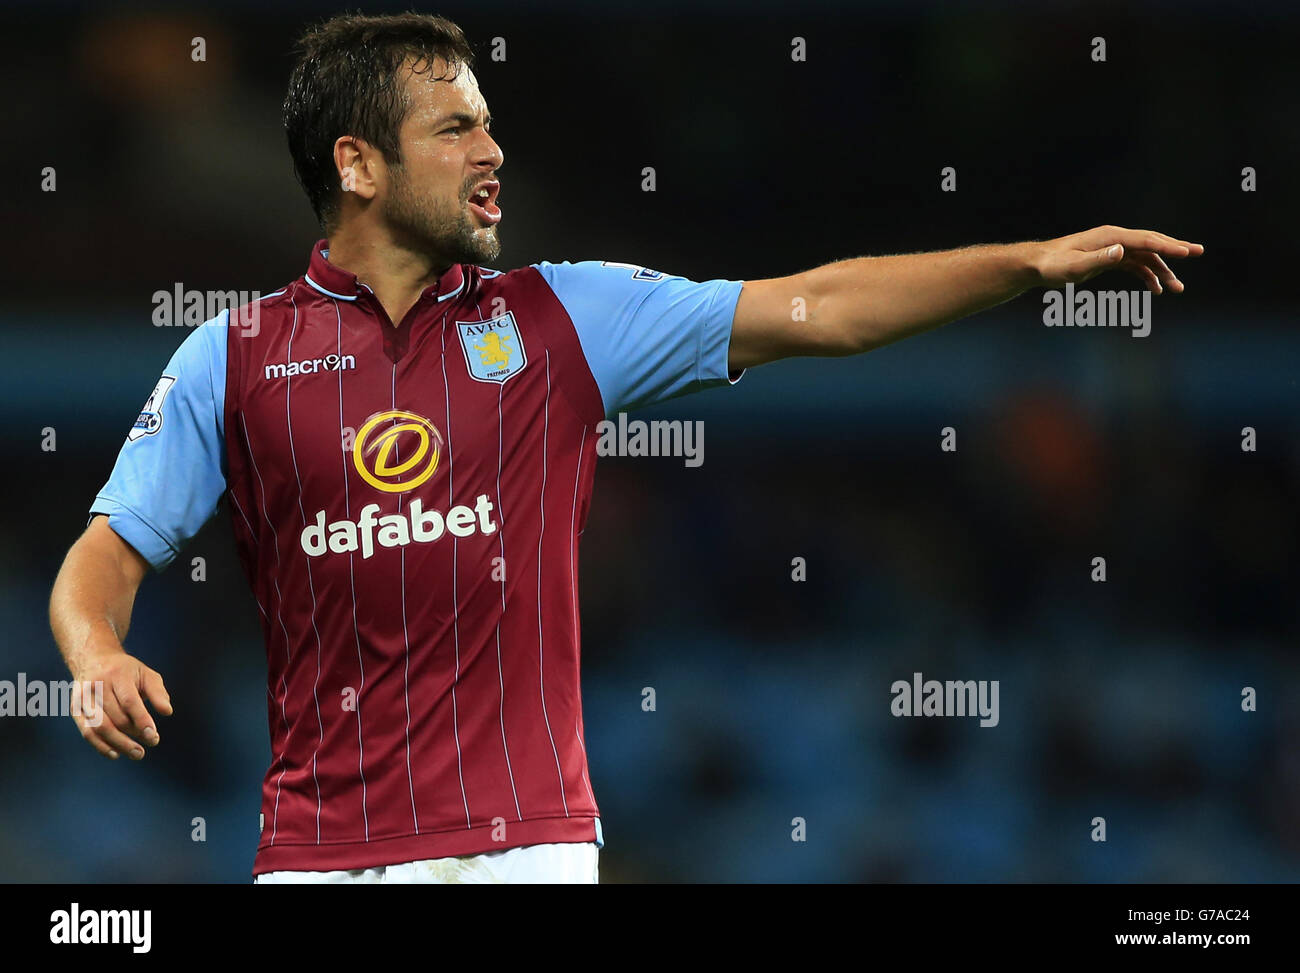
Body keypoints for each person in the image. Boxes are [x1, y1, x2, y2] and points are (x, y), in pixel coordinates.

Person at [48, 11, 1202, 884]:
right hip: (318, 857)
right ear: (356, 164)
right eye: (454, 128)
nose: (492, 150)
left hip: (528, 850)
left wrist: (1025, 263)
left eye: (488, 121)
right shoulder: (234, 357)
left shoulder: (561, 316)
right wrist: (96, 652)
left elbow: (824, 307)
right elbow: (108, 552)